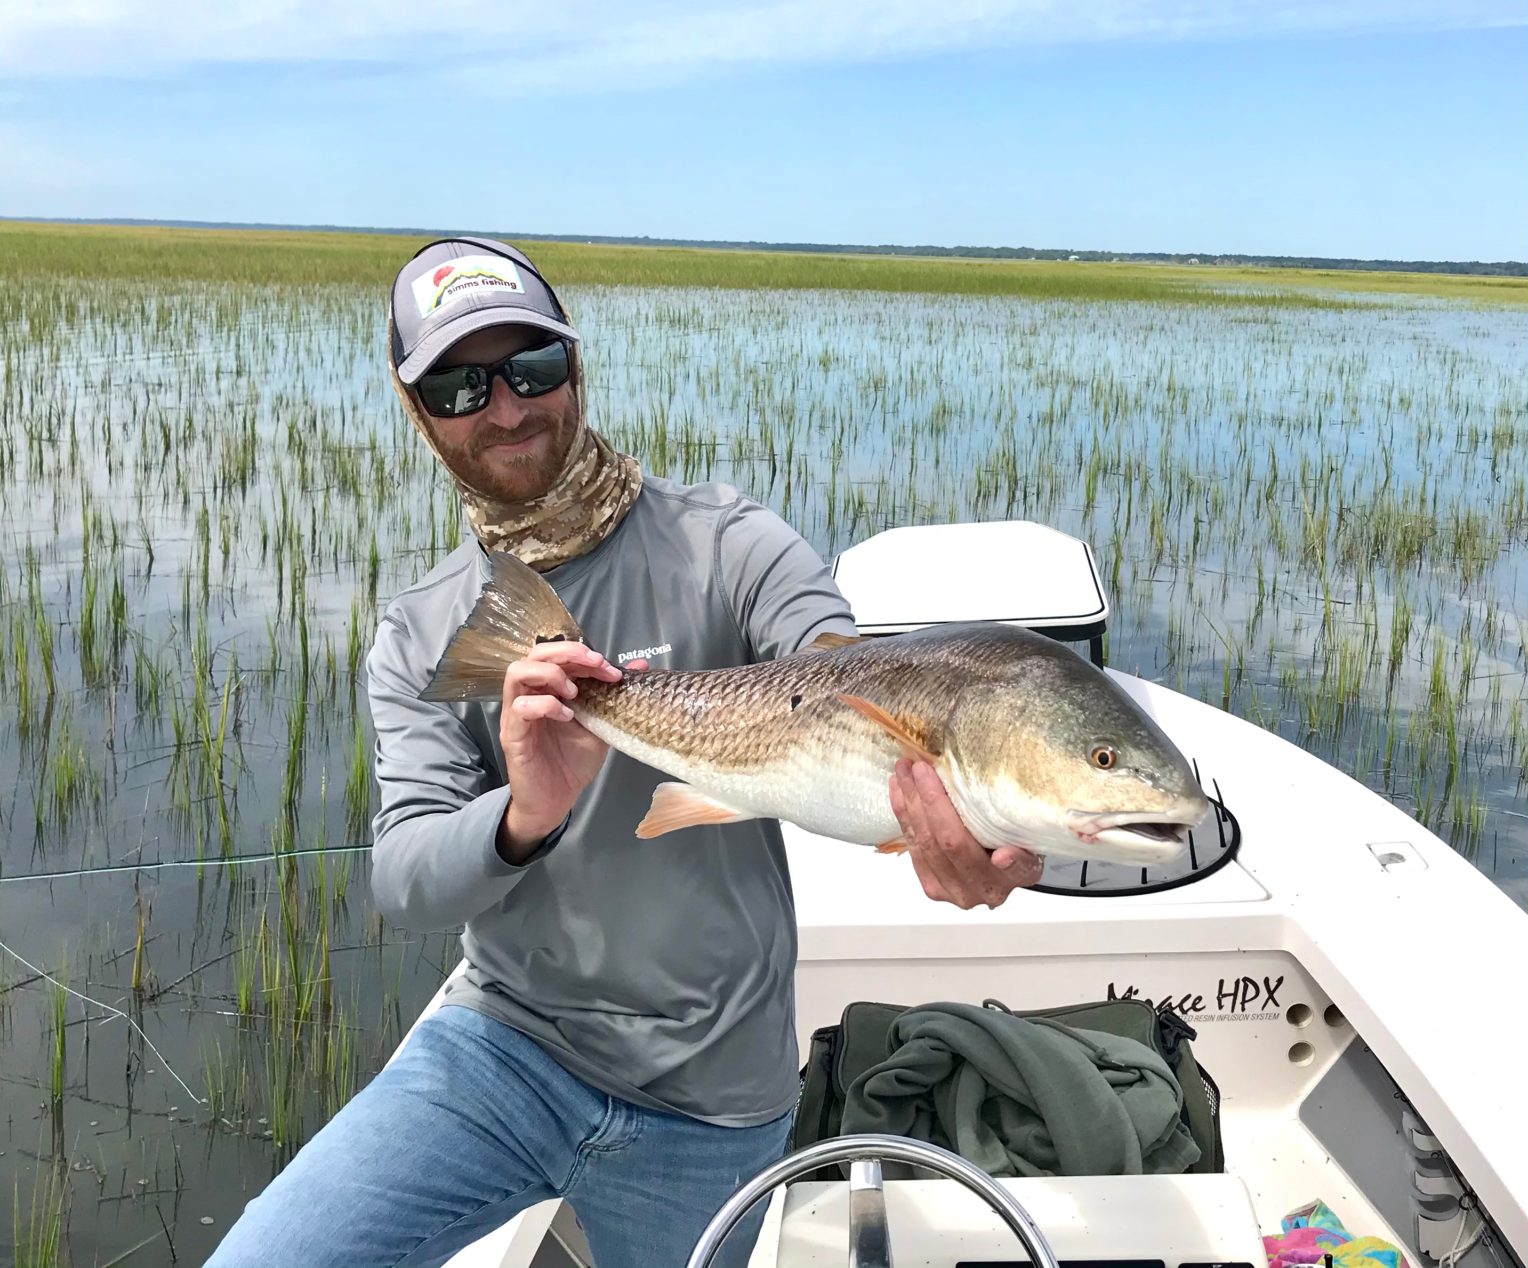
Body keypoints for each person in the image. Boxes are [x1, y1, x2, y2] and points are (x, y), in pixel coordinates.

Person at [208, 237, 1043, 1268]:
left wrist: (953, 795)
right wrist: (523, 814)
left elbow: (835, 658)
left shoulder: (726, 542)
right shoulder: (425, 628)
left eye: (532, 367)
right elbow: (408, 877)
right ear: (416, 409)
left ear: (577, 365)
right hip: (504, 1048)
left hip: (710, 1090)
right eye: (462, 385)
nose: (507, 407)